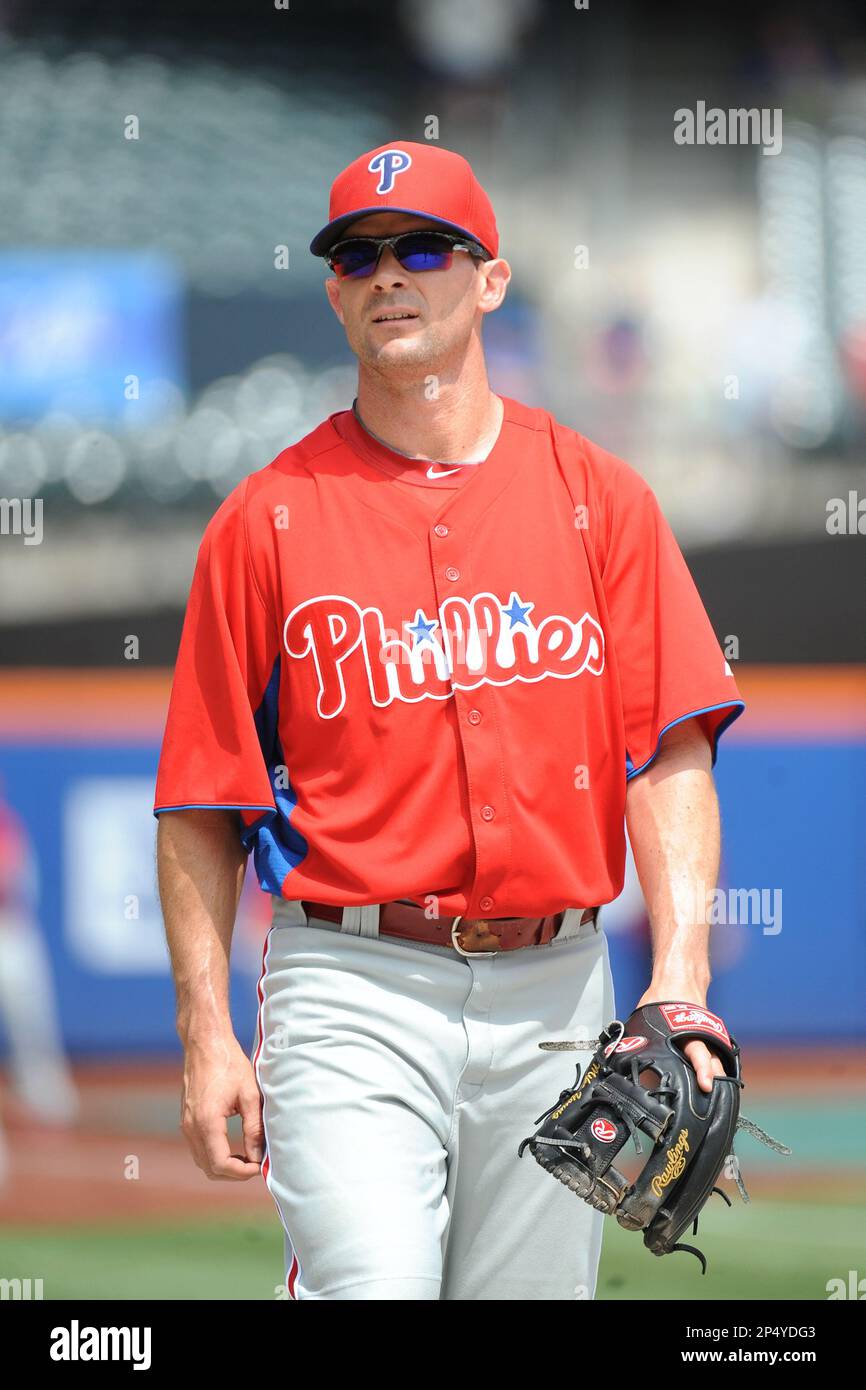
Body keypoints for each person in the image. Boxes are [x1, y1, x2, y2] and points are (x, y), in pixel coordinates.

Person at [154, 140, 744, 1301]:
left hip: (557, 982)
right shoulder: (263, 521)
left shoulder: (600, 499)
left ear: (490, 279)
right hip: (350, 983)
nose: (387, 273)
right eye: (357, 255)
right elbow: (200, 800)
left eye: (422, 247)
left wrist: (675, 975)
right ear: (331, 292)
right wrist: (204, 1032)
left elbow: (667, 745)